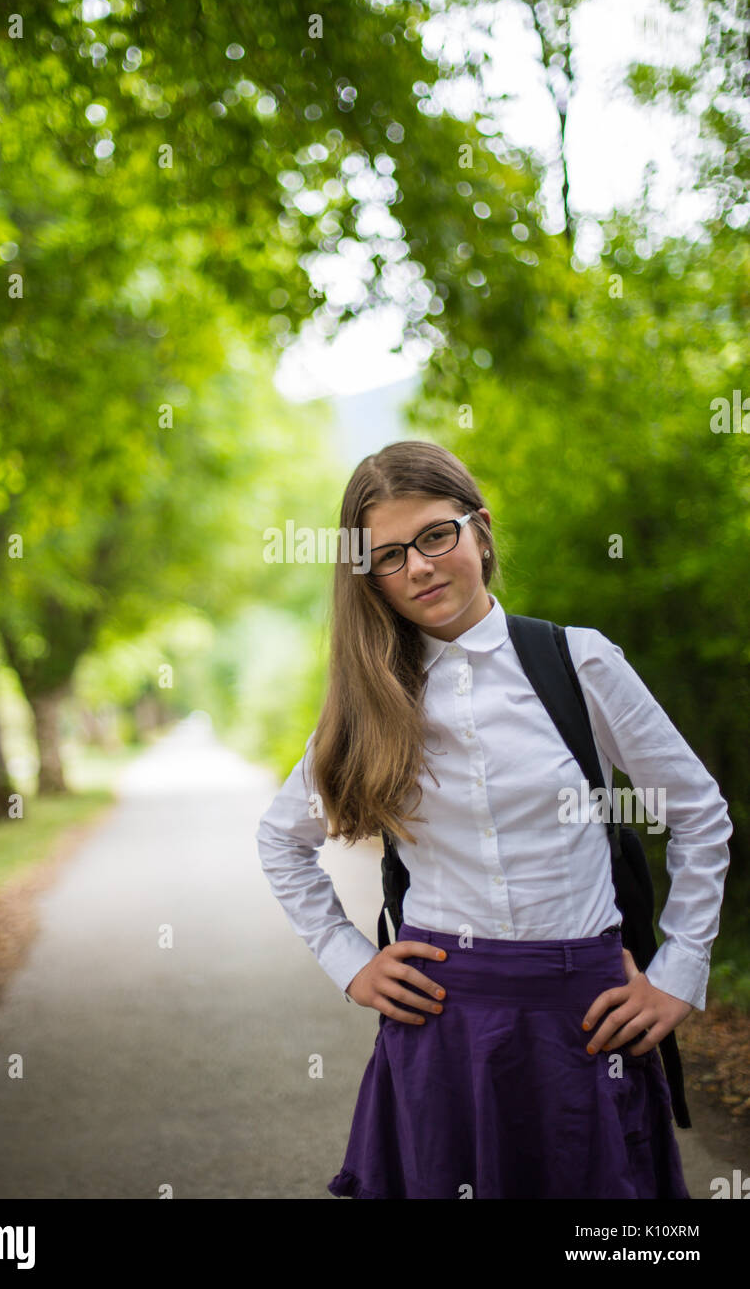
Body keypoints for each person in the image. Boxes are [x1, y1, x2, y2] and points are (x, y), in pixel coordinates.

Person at [254, 440, 732, 1199]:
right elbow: (282, 842)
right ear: (367, 578)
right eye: (387, 556)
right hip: (443, 1028)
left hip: (587, 1018)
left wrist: (678, 972)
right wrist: (351, 963)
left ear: (479, 529)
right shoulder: (372, 702)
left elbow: (700, 814)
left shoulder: (578, 663)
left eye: (436, 535)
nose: (418, 567)